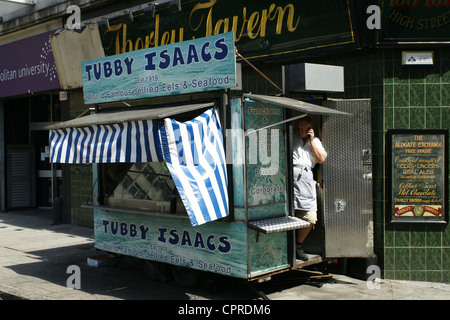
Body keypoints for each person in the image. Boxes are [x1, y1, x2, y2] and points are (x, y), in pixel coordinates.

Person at [292, 115, 327, 261]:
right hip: (292, 180)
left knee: (310, 218)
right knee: (291, 216)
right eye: (298, 128)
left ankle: (298, 244)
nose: (300, 131)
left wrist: (311, 141)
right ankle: (290, 247)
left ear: (309, 130)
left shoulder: (315, 142)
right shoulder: (292, 138)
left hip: (306, 182)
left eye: (303, 129)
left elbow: (321, 159)